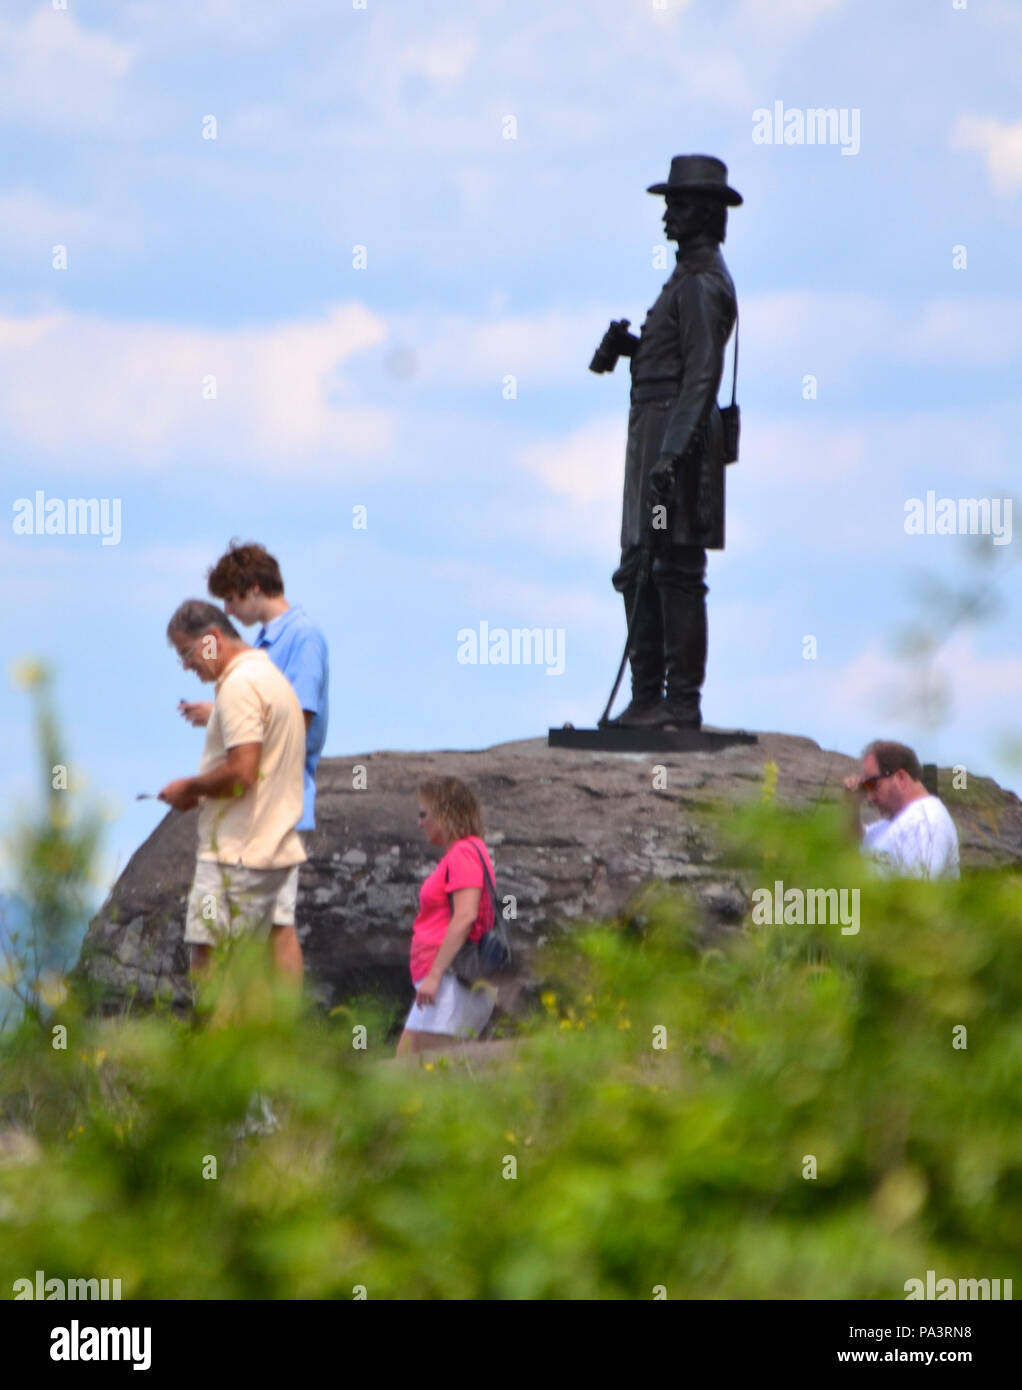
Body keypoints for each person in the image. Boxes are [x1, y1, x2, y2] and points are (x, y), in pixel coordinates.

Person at [593, 154, 741, 730]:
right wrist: (632, 349)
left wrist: (671, 456)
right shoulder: (684, 280)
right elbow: (678, 361)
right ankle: (647, 696)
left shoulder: (704, 285)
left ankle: (679, 703)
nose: (666, 217)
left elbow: (701, 377)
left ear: (703, 213)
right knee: (639, 564)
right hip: (652, 440)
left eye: (676, 206)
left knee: (672, 566)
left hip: (674, 448)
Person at [179, 542, 329, 980]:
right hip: (256, 798)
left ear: (254, 588)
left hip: (274, 795)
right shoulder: (260, 644)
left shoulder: (302, 636)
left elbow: (294, 715)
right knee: (272, 926)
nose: (228, 609)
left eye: (230, 598)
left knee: (274, 927)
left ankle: (266, 1028)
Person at [159, 600, 307, 982]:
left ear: (212, 640)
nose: (188, 665)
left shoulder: (239, 686)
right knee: (278, 939)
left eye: (187, 653)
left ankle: (215, 1038)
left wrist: (189, 787)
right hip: (276, 845)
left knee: (209, 954)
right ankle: (286, 1038)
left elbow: (242, 772)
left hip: (236, 853)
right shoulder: (271, 677)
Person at [395, 777, 497, 1058]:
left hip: (448, 984)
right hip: (442, 984)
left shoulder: (464, 853)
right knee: (402, 1070)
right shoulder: (464, 852)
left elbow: (465, 915)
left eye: (423, 814)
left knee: (430, 1080)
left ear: (445, 814)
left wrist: (435, 976)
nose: (419, 823)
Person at [843, 740, 960, 880]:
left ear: (901, 777)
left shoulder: (926, 822)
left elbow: (918, 894)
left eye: (872, 784)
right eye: (865, 787)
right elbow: (855, 841)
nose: (869, 796)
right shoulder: (894, 822)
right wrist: (852, 806)